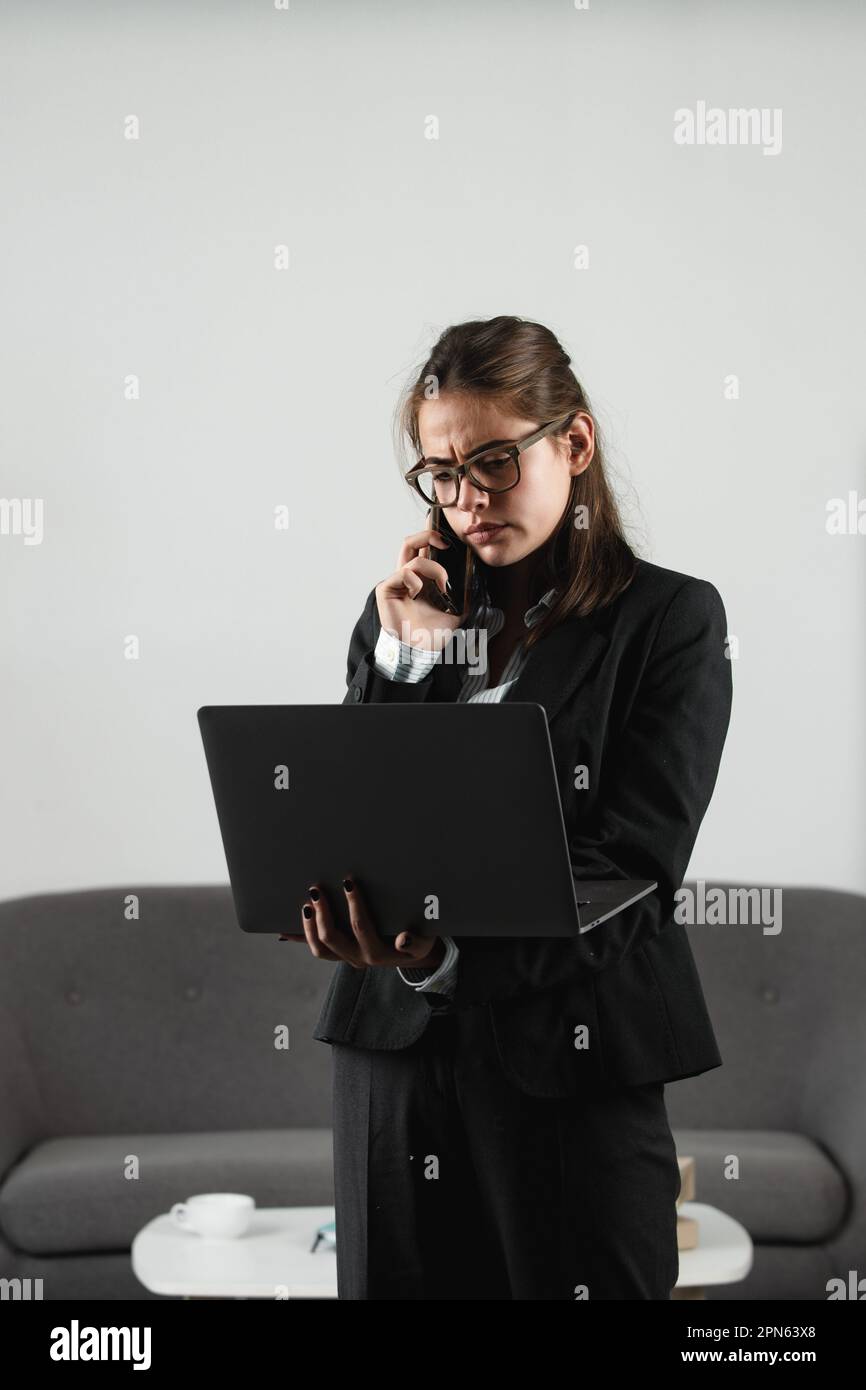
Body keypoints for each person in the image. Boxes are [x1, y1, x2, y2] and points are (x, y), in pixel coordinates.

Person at [279, 314, 733, 1300]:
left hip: (570, 1061)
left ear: (571, 443)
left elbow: (632, 867)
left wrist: (448, 955)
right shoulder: (401, 614)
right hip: (393, 1057)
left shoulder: (669, 621)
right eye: (440, 472)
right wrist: (406, 657)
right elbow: (355, 813)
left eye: (492, 461)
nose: (466, 497)